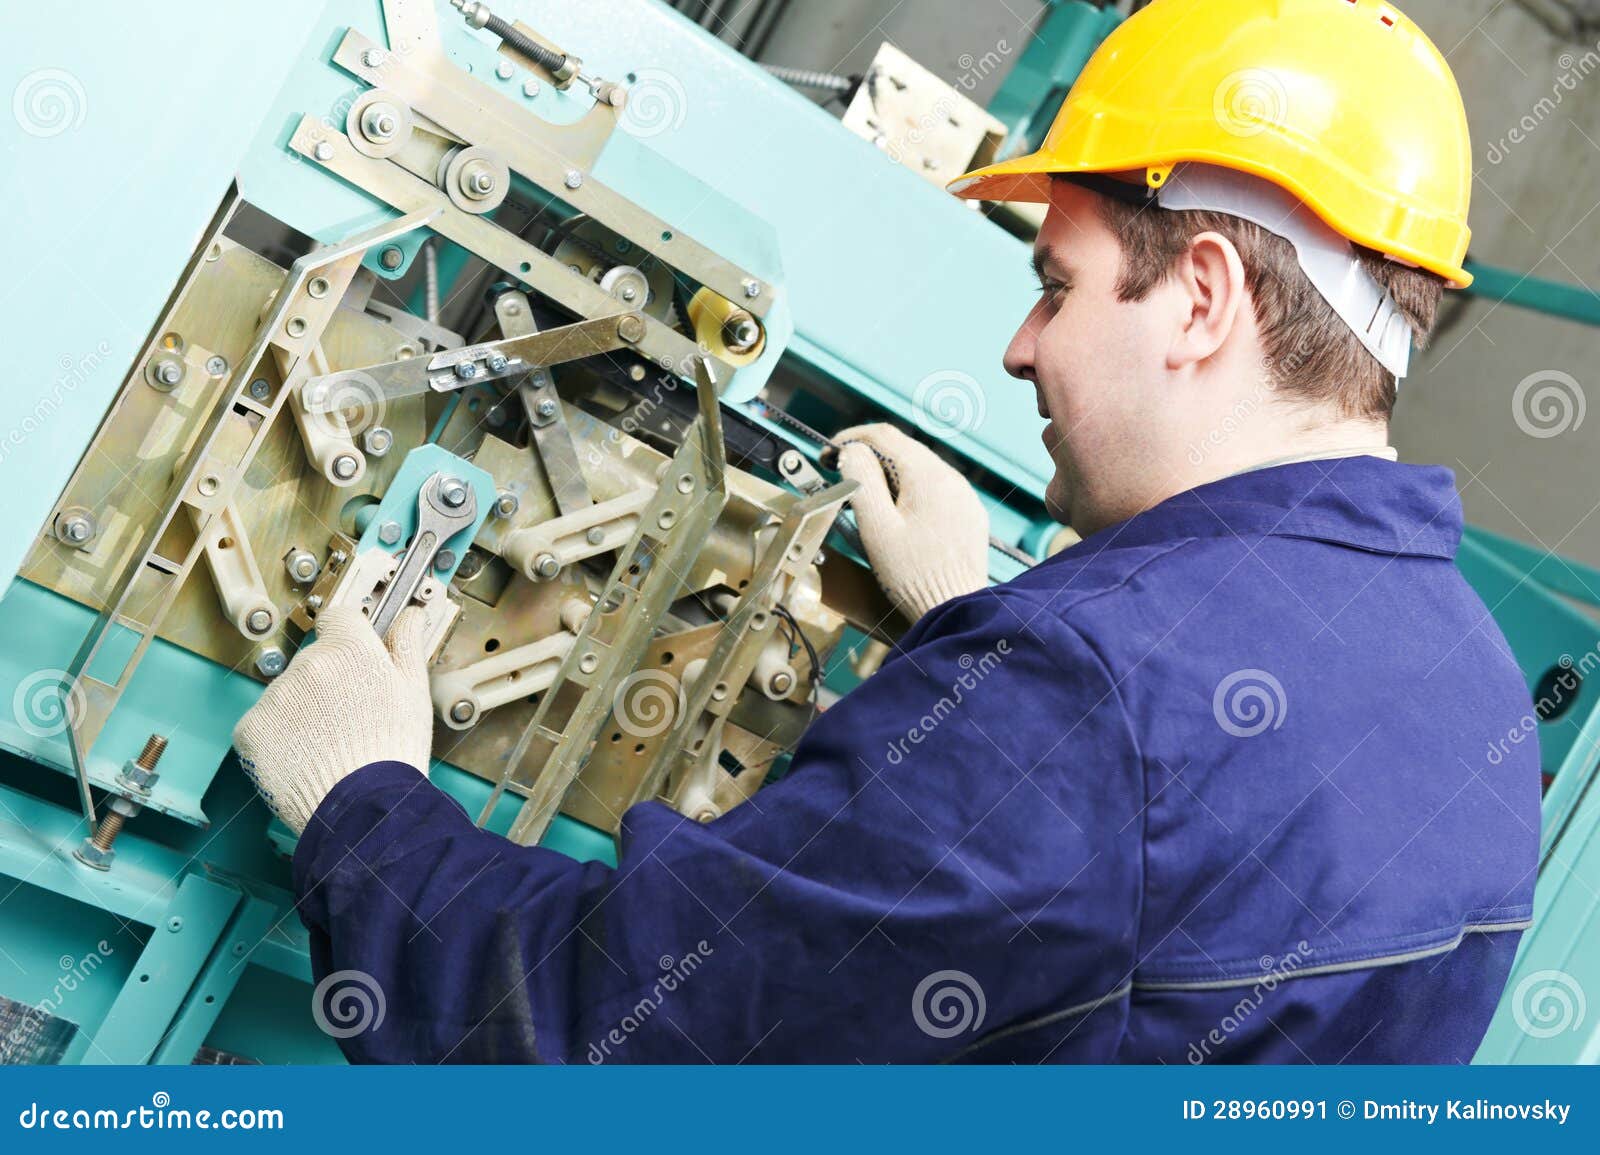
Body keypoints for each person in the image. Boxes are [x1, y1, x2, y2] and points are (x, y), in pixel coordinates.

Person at [233, 0, 1539, 1063]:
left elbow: (613, 1044)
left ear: (1201, 299)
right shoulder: (1473, 705)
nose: (1020, 347)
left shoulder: (1088, 692)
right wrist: (972, 635)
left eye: (1056, 287)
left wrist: (362, 809)